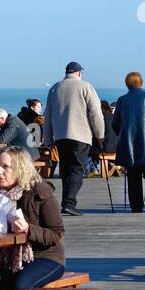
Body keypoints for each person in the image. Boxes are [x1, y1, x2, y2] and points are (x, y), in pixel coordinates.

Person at [0, 147, 65, 290]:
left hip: (43, 256)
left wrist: (28, 229)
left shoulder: (38, 192)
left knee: (20, 286)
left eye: (5, 167)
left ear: (20, 168)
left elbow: (57, 234)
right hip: (3, 259)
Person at [42, 61, 104, 216]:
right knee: (77, 170)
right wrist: (100, 135)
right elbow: (96, 113)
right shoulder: (86, 87)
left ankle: (66, 203)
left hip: (61, 136)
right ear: (79, 73)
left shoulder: (55, 88)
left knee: (65, 169)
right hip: (80, 135)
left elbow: (47, 116)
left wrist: (48, 140)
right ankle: (69, 203)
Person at [110, 71, 145, 213]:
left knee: (133, 176)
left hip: (128, 143)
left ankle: (136, 204)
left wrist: (122, 135)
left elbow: (115, 123)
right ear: (141, 83)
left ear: (127, 84)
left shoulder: (121, 100)